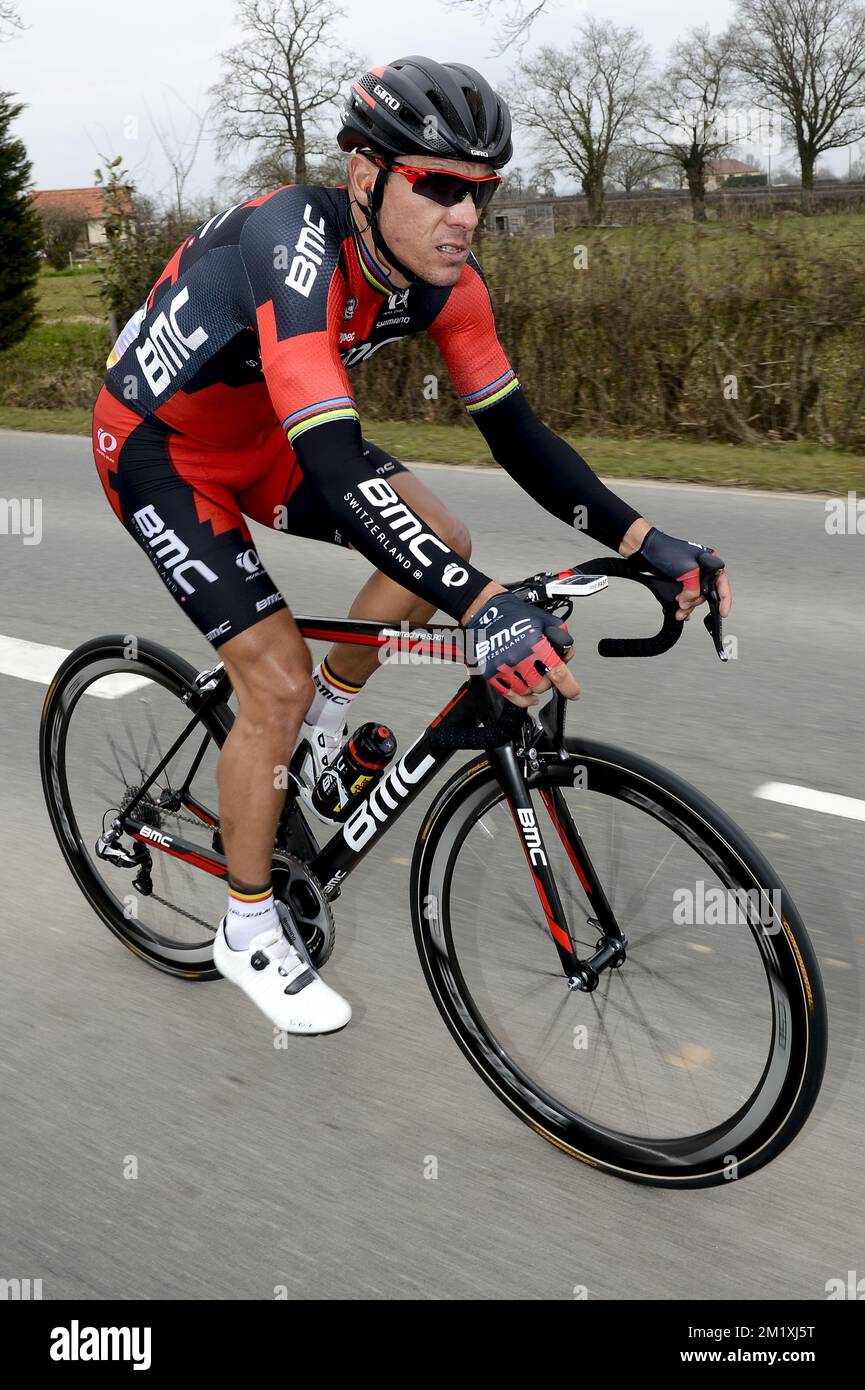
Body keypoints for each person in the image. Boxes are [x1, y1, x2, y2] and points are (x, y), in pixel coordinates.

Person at [90, 55, 731, 1037]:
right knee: (274, 677)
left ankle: (320, 732)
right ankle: (247, 925)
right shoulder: (292, 242)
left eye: (480, 192)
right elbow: (337, 459)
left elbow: (517, 436)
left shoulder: (446, 284)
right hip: (159, 451)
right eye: (438, 185)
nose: (463, 215)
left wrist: (650, 541)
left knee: (444, 536)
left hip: (263, 439)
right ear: (365, 177)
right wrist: (481, 605)